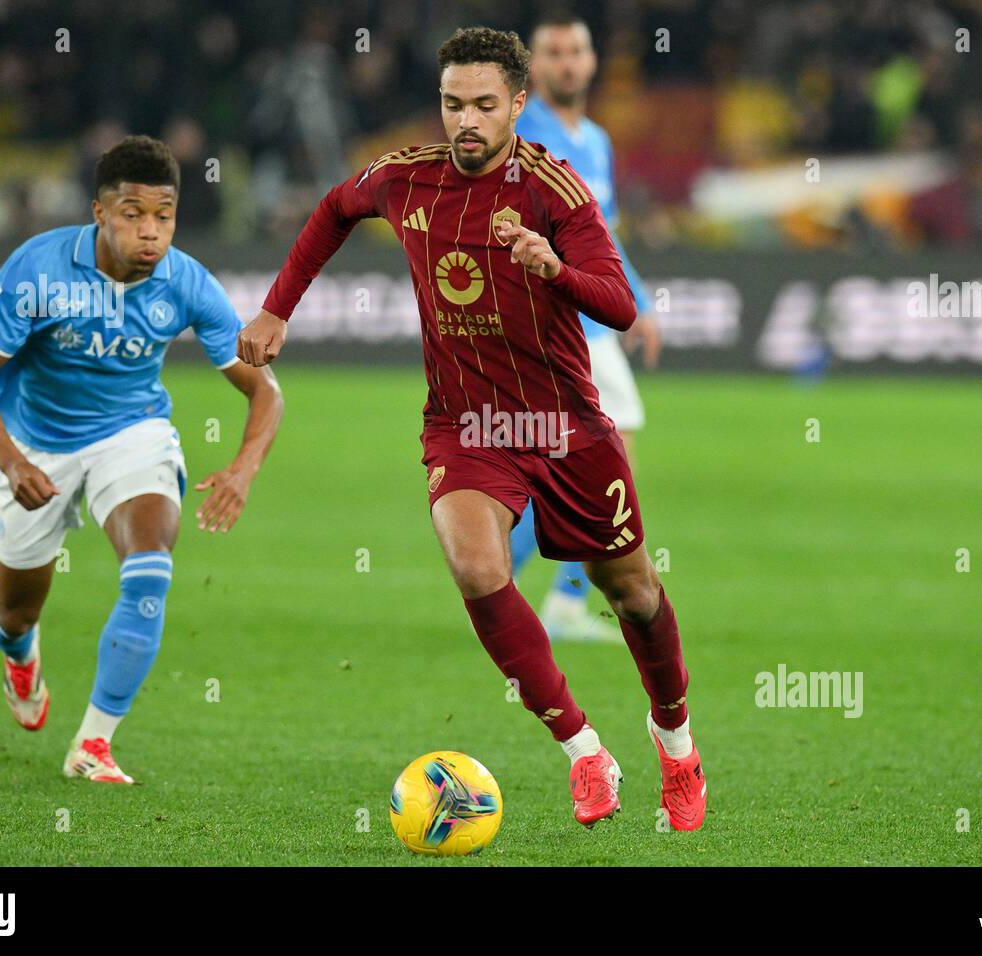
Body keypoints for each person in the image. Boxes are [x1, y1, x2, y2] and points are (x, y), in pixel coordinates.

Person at [237, 28, 705, 830]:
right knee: (479, 571)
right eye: (454, 103)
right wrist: (279, 306)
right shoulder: (405, 178)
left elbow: (621, 305)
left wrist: (554, 267)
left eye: (485, 105)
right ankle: (584, 750)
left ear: (518, 106)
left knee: (630, 592)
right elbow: (334, 209)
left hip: (565, 427)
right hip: (467, 426)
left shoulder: (555, 190)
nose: (467, 121)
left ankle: (675, 742)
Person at [0, 135, 283, 784]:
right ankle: (19, 653)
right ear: (99, 213)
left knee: (151, 566)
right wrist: (13, 463)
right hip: (35, 444)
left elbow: (263, 390)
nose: (150, 232)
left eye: (163, 216)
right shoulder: (39, 267)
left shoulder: (186, 282)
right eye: (133, 214)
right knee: (17, 609)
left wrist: (243, 469)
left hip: (132, 434)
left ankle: (93, 743)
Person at [512, 13, 662, 642]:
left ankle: (523, 586)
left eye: (576, 50)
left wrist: (640, 302)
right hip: (557, 322)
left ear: (592, 59)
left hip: (593, 323)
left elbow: (604, 233)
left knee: (578, 462)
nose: (567, 62)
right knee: (604, 458)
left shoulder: (595, 139)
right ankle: (537, 592)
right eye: (554, 52)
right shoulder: (523, 139)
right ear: (534, 64)